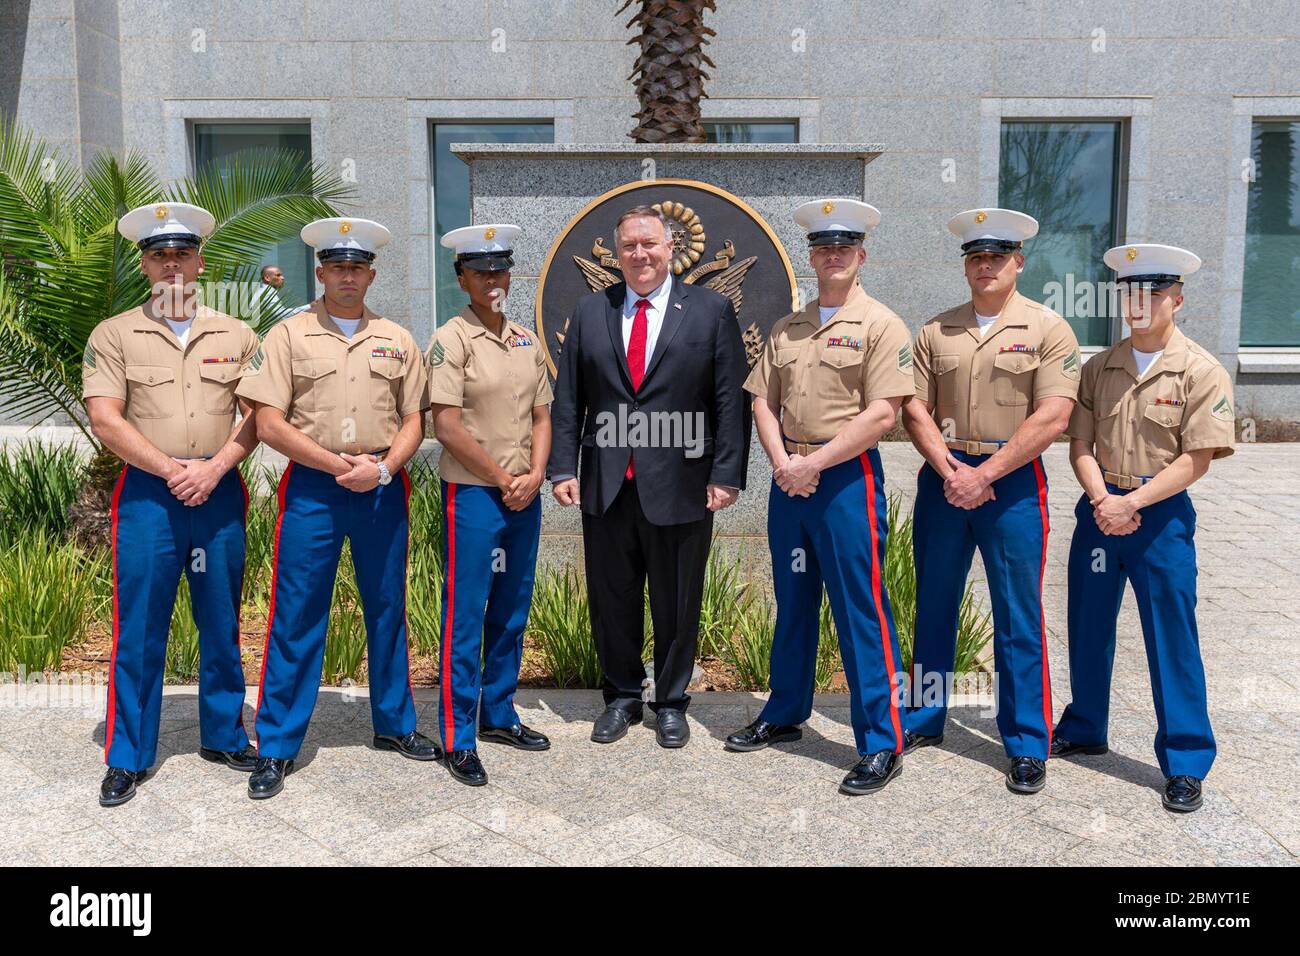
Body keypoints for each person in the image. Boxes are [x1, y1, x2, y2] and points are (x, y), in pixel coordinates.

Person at [235, 217, 437, 799]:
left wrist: (385, 468)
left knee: (387, 607)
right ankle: (275, 744)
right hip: (314, 490)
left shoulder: (398, 338)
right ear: (320, 272)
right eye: (337, 267)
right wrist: (335, 465)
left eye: (358, 267)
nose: (348, 276)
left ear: (371, 274)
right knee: (296, 613)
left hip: (379, 484)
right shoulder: (288, 336)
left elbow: (412, 419)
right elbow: (268, 421)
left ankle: (395, 725)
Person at [724, 198, 914, 795]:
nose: (833, 256)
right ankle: (785, 713)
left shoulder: (882, 325)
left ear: (861, 255)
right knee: (794, 599)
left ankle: (881, 742)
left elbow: (884, 413)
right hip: (792, 479)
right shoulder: (789, 326)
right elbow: (762, 398)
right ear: (811, 255)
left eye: (844, 248)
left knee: (862, 609)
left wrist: (813, 463)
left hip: (845, 480)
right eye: (823, 247)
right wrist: (784, 463)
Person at [548, 204, 749, 749]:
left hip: (683, 481)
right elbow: (568, 399)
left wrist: (726, 473)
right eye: (629, 246)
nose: (640, 254)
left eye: (650, 244)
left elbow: (731, 400)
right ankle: (621, 697)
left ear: (671, 249)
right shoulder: (591, 310)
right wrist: (563, 466)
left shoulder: (710, 310)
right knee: (612, 596)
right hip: (607, 482)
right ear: (617, 254)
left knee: (678, 598)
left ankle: (671, 701)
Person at [84, 202, 260, 807]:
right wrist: (170, 470)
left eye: (182, 252)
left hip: (217, 493)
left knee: (221, 619)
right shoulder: (114, 334)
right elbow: (105, 418)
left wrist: (212, 470)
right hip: (148, 500)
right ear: (144, 263)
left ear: (200, 260)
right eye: (160, 254)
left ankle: (223, 734)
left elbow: (258, 417)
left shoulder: (236, 334)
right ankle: (128, 755)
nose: (172, 264)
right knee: (138, 628)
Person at [903, 208, 1080, 795]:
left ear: (1018, 263)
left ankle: (1027, 741)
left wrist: (987, 474)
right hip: (945, 476)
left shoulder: (1049, 330)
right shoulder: (935, 331)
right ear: (966, 265)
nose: (986, 266)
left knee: (1018, 616)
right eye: (976, 257)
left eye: (997, 258)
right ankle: (924, 718)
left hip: (1013, 483)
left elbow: (1053, 414)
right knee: (933, 603)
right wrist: (951, 469)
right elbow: (914, 409)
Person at [1052, 244, 1233, 813]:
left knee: (1171, 636)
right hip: (1101, 510)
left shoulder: (1201, 370)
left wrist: (1134, 504)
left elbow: (1196, 459)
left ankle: (1184, 760)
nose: (1138, 303)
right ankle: (1085, 726)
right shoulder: (1098, 367)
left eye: (1151, 293)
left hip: (1160, 517)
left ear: (1176, 299)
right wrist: (1104, 498)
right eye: (1128, 292)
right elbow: (1080, 443)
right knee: (1086, 623)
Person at [425, 224, 553, 787]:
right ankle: (459, 735)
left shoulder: (527, 339)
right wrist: (504, 477)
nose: (493, 280)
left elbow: (543, 417)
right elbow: (447, 426)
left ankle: (499, 713)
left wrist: (538, 474)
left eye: (500, 270)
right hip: (476, 496)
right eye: (481, 272)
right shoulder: (450, 340)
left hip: (524, 495)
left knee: (512, 608)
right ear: (462, 279)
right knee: (466, 614)